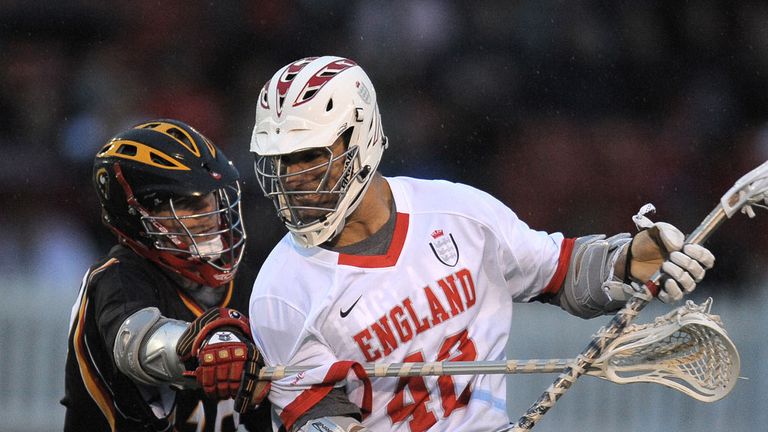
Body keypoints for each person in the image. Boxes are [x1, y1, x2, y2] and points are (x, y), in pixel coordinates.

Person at [245, 56, 715, 432]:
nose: (292, 179)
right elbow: (319, 416)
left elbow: (558, 270)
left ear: (360, 136)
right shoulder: (279, 292)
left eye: (308, 156)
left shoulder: (459, 213)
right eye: (281, 162)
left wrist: (628, 260)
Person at [62, 119, 270, 431]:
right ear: (137, 216)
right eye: (186, 202)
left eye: (210, 196)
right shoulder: (117, 278)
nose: (208, 215)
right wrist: (202, 345)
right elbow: (136, 344)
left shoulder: (247, 280)